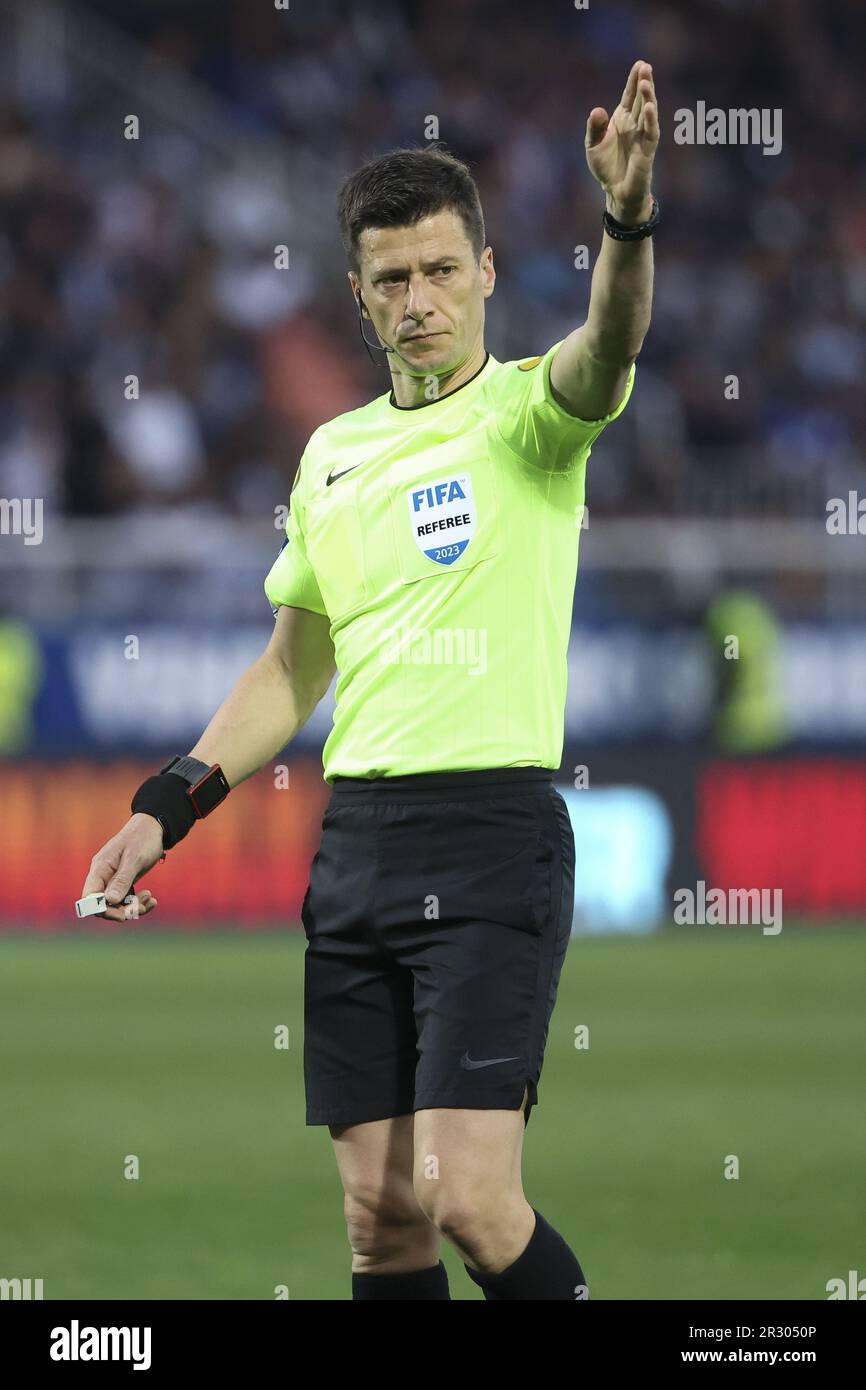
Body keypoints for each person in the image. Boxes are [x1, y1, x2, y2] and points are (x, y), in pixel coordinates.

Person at [81, 60, 659, 1300]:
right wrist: (165, 801)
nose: (418, 300)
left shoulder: (524, 421)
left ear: (487, 275)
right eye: (390, 279)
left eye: (442, 270)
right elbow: (292, 666)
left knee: (468, 1193)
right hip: (359, 844)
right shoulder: (330, 457)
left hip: (491, 833)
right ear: (356, 296)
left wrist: (624, 219)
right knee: (379, 1217)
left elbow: (607, 346)